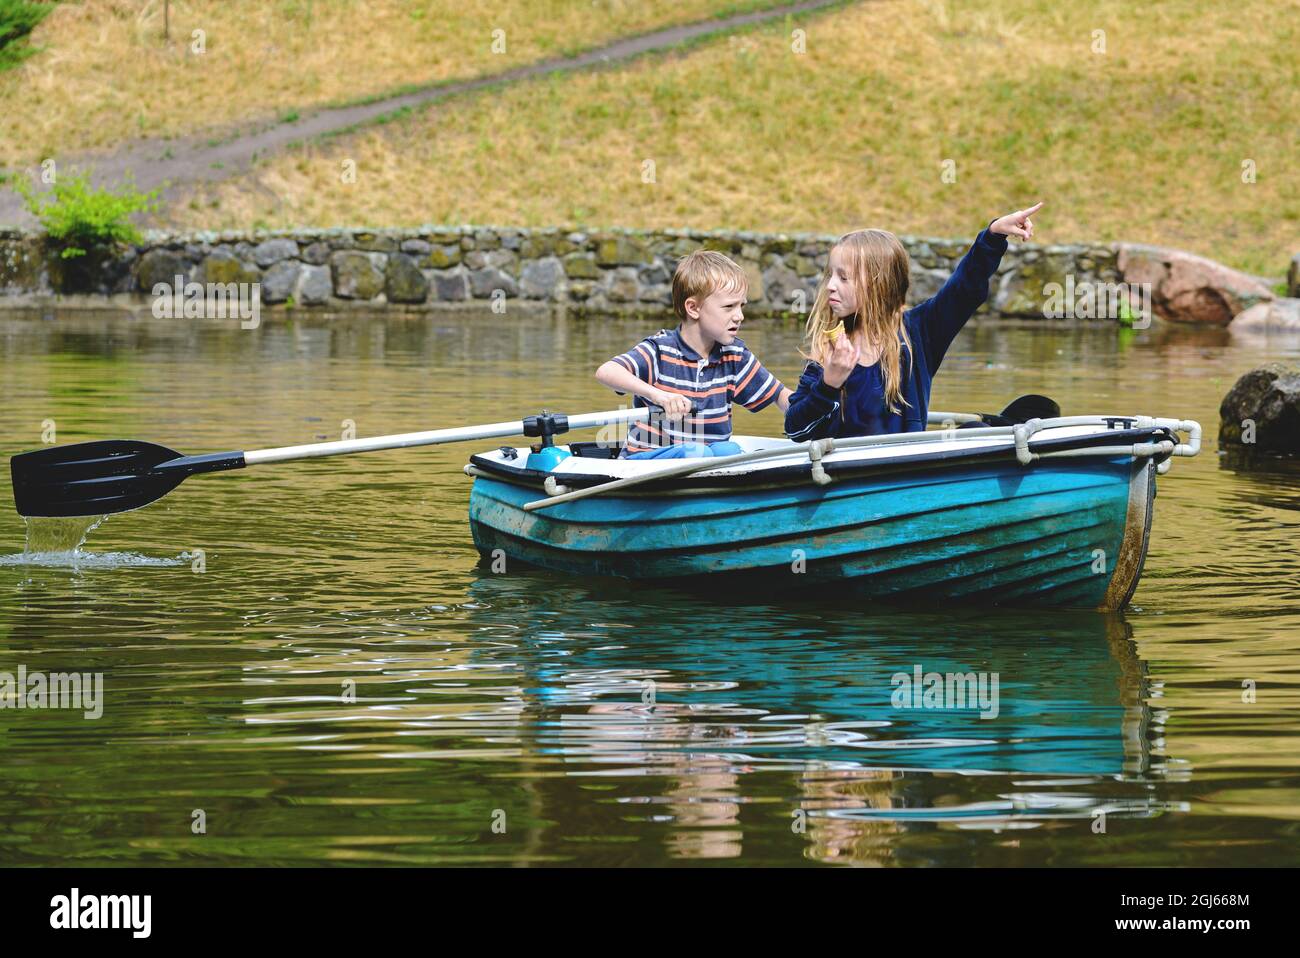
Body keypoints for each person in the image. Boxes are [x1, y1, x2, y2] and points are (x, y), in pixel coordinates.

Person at [784, 203, 1043, 442]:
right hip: (850, 473)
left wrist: (993, 236)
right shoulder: (827, 352)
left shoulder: (918, 333)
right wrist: (829, 384)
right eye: (830, 275)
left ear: (878, 284)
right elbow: (796, 431)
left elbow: (963, 291)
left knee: (975, 430)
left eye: (843, 278)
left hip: (906, 467)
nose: (830, 286)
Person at [596, 250, 792, 459]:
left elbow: (780, 395)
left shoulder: (734, 355)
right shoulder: (660, 350)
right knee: (697, 453)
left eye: (741, 306)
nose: (739, 316)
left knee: (730, 450)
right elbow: (606, 371)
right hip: (646, 460)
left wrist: (811, 407)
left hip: (702, 460)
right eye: (729, 307)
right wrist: (658, 396)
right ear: (693, 308)